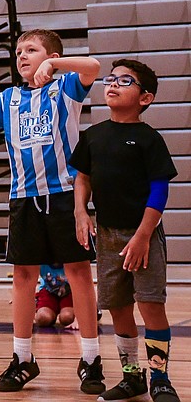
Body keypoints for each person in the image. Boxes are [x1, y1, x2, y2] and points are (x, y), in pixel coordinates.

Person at [0, 28, 103, 394]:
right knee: (22, 276)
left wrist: (54, 63)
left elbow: (94, 65)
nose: (21, 55)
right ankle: (22, 357)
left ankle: (92, 358)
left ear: (49, 55)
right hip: (23, 198)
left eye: (31, 50)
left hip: (65, 194)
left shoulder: (64, 87)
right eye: (18, 51)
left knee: (79, 273)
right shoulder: (8, 98)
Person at [72, 60, 180, 402]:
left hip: (143, 236)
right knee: (118, 306)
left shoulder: (150, 139)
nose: (113, 84)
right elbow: (82, 178)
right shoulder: (93, 135)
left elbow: (160, 190)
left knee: (150, 305)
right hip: (106, 235)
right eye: (111, 78)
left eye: (125, 81)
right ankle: (132, 376)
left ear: (145, 98)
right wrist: (80, 212)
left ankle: (160, 378)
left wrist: (143, 235)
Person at [35, 264, 76, 328]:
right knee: (42, 318)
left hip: (70, 292)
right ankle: (46, 309)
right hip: (48, 291)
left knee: (67, 318)